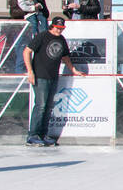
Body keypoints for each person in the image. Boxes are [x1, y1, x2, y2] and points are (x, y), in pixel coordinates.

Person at [23, 16, 88, 146]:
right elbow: (27, 51)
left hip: (53, 76)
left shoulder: (61, 39)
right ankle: (33, 135)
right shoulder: (43, 36)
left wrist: (73, 70)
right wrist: (30, 71)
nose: (59, 31)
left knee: (48, 107)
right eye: (57, 28)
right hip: (40, 75)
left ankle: (43, 134)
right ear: (52, 26)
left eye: (61, 28)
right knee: (40, 105)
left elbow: (65, 57)